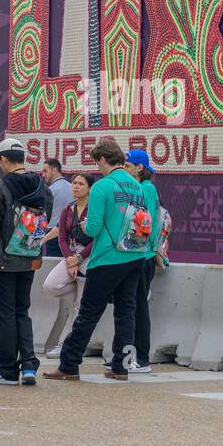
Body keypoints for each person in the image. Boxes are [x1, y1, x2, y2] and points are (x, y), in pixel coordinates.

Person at [45, 139, 149, 382]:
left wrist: (83, 224)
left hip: (107, 257)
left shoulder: (103, 186)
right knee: (126, 313)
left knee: (88, 312)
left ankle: (69, 365)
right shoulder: (137, 186)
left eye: (96, 162)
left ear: (102, 159)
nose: (97, 168)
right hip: (134, 254)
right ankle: (121, 367)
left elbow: (92, 229)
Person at [0, 137, 52, 385]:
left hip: (2, 260)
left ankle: (8, 370)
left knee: (5, 314)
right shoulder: (43, 188)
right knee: (22, 310)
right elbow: (46, 220)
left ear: (3, 159)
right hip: (30, 258)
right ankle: (29, 365)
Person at [41, 172, 95, 357]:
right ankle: (80, 293)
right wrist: (70, 260)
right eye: (74, 183)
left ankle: (66, 344)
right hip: (71, 255)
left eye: (80, 183)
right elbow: (62, 237)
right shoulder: (68, 209)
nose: (76, 186)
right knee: (50, 286)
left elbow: (97, 239)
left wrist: (79, 259)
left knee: (79, 308)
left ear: (89, 188)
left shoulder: (95, 209)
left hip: (89, 256)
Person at [124, 149, 161, 374]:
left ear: (140, 168)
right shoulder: (145, 188)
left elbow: (141, 219)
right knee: (131, 306)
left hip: (142, 255)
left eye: (128, 166)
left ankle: (142, 359)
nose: (125, 170)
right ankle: (129, 357)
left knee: (138, 308)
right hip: (139, 254)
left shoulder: (145, 188)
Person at [41, 159, 73, 258]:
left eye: (45, 171)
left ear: (54, 170)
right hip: (71, 234)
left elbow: (43, 214)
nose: (43, 175)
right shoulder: (73, 188)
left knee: (53, 266)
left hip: (53, 235)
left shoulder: (49, 191)